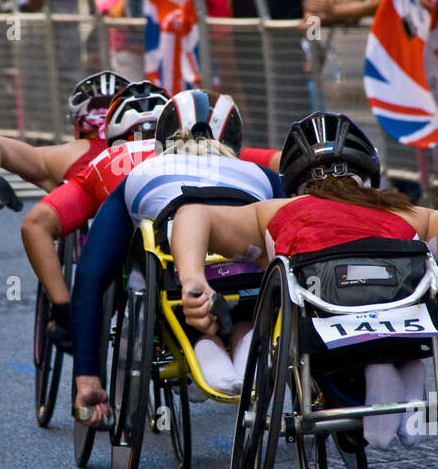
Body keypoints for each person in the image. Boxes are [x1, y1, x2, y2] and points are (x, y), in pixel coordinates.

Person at [175, 112, 438, 449]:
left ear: (293, 183)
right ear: (368, 173)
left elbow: (192, 214)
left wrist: (194, 280)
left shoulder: (275, 212)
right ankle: (397, 369)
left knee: (308, 304)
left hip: (327, 335)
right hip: (409, 330)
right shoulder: (409, 213)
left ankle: (372, 383)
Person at [71, 90, 284, 424]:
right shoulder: (261, 175)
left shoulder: (141, 173)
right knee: (247, 310)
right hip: (252, 277)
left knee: (153, 267)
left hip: (179, 282)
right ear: (234, 139)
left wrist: (87, 376)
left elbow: (91, 273)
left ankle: (203, 343)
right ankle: (248, 349)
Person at [21, 81, 171, 346]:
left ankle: (72, 315)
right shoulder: (204, 155)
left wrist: (64, 309)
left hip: (113, 234)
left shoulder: (99, 161)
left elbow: (35, 225)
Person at [0, 70, 128, 207]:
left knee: (37, 226)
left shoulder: (66, 155)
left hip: (94, 229)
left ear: (78, 128)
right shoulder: (146, 149)